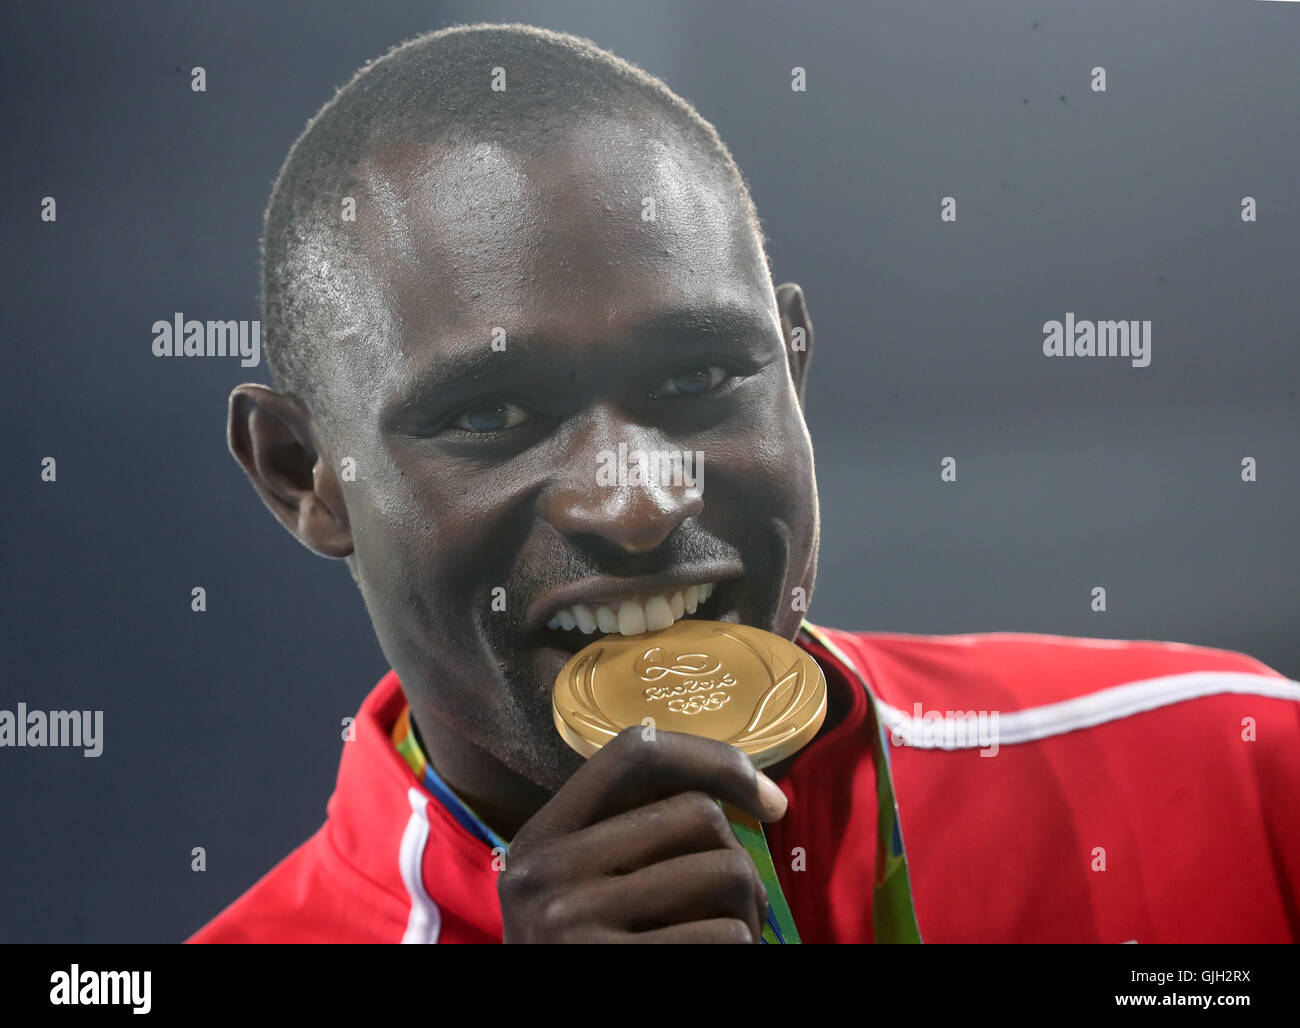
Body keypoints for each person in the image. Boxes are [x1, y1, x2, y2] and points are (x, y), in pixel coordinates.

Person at [187, 23, 1300, 944]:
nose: (634, 500)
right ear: (301, 475)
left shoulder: (1239, 772)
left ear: (795, 367)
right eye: (489, 414)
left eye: (696, 375)